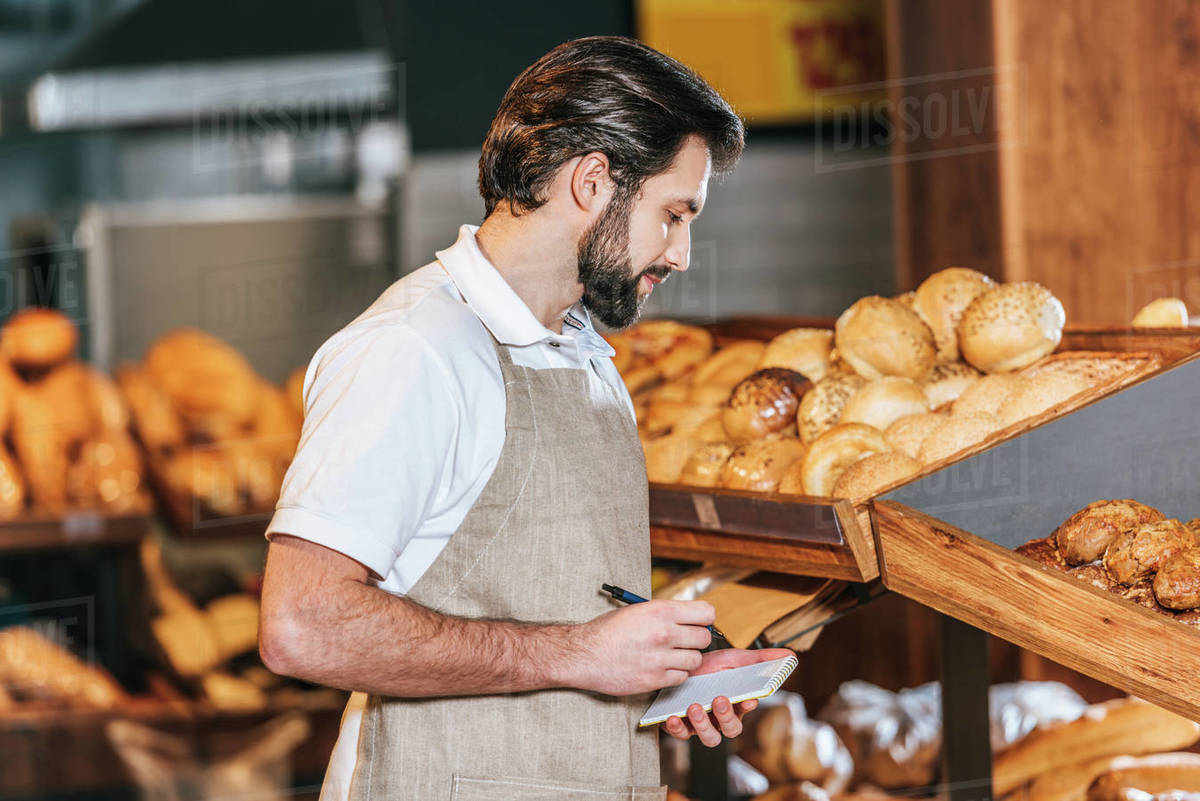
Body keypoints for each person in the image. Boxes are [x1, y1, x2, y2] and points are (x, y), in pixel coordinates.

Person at [258, 35, 793, 800]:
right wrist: (579, 654)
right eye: (674, 214)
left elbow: (562, 616)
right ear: (593, 181)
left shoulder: (583, 356)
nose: (681, 253)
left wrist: (662, 673)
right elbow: (301, 623)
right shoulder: (417, 348)